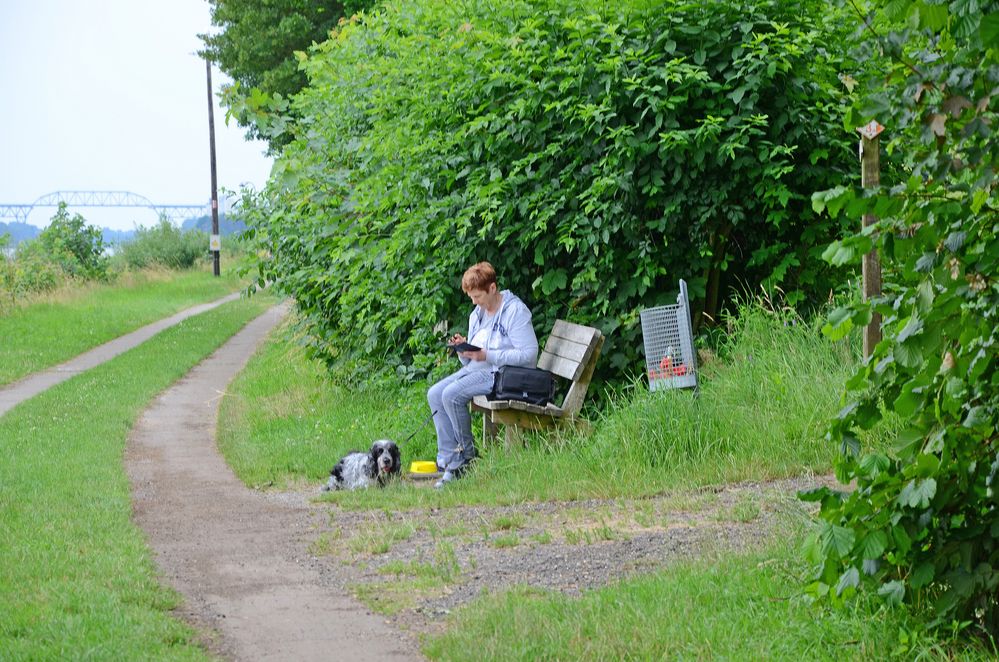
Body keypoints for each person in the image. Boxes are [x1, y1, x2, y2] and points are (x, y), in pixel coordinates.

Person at [427, 261, 538, 489]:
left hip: (504, 375)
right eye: (471, 297)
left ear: (493, 288)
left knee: (451, 395)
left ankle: (465, 460)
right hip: (476, 370)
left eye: (477, 296)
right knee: (435, 393)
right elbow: (471, 359)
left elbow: (529, 355)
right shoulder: (476, 314)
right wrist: (463, 349)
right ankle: (449, 459)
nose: (474, 302)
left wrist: (488, 355)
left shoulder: (515, 311)